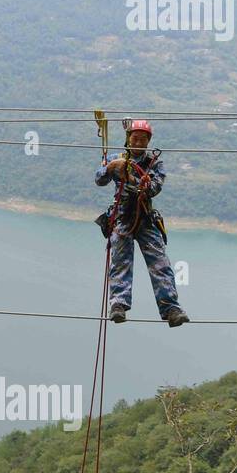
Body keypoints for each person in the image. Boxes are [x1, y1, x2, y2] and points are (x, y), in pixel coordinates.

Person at [96, 119, 189, 326]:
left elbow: (154, 188)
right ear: (128, 138)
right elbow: (99, 180)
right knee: (120, 262)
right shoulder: (115, 158)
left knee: (160, 263)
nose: (138, 142)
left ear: (148, 142)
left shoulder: (154, 163)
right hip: (122, 217)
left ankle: (171, 309)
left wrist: (132, 178)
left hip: (145, 217)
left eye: (142, 139)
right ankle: (118, 305)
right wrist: (111, 167)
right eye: (135, 138)